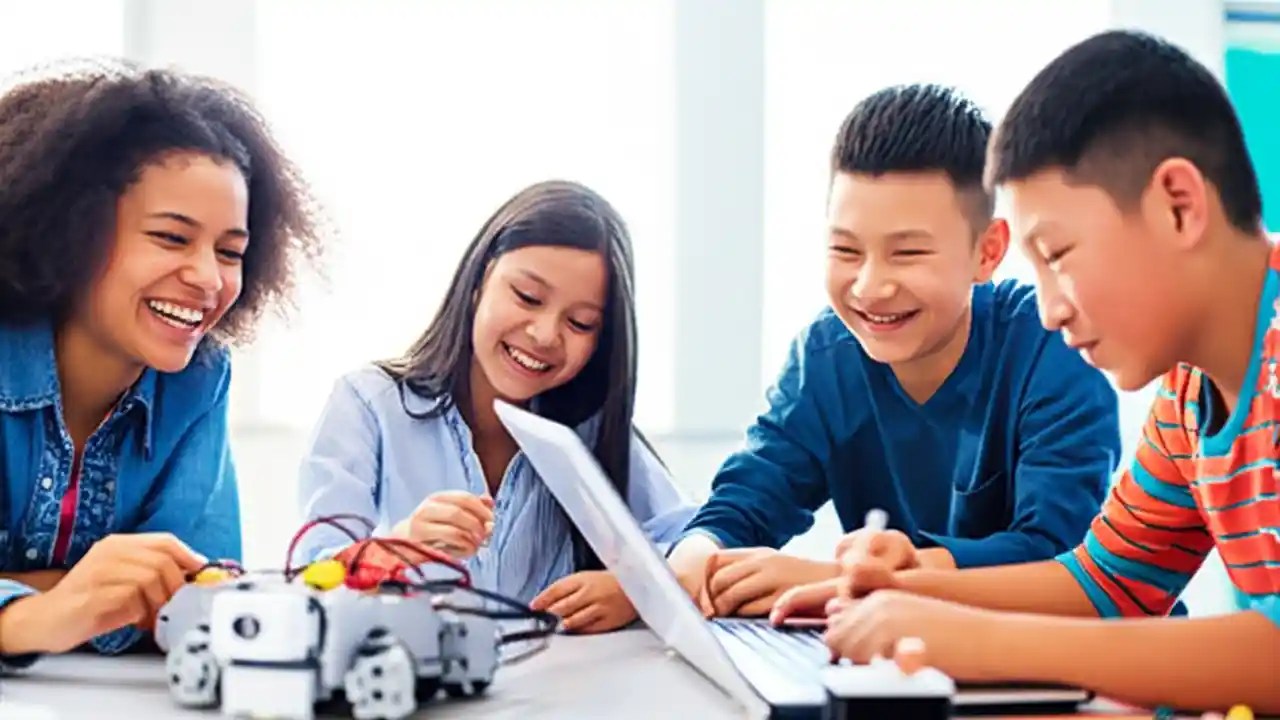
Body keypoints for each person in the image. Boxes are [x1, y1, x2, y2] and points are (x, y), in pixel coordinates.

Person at [775, 31, 1280, 714]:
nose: (1047, 310)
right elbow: (1110, 581)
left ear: (1178, 207)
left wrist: (971, 639)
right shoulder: (1189, 393)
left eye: (1059, 253)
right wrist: (909, 586)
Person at [666, 83, 1121, 617]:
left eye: (907, 253)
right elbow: (753, 494)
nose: (869, 287)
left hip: (1062, 663)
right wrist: (698, 556)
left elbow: (1059, 561)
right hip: (900, 655)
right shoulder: (828, 356)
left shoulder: (1052, 348)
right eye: (845, 249)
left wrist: (851, 579)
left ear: (987, 252)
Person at [0, 60, 324, 665]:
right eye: (172, 238)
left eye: (231, 251)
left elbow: (191, 595)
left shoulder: (200, 380)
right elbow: (132, 600)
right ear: (69, 230)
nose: (208, 278)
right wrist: (35, 615)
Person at [295, 180, 693, 634]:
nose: (545, 334)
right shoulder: (369, 404)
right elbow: (311, 576)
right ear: (479, 281)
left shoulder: (591, 432)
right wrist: (400, 546)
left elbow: (692, 545)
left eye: (581, 323)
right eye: (527, 297)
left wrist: (633, 588)